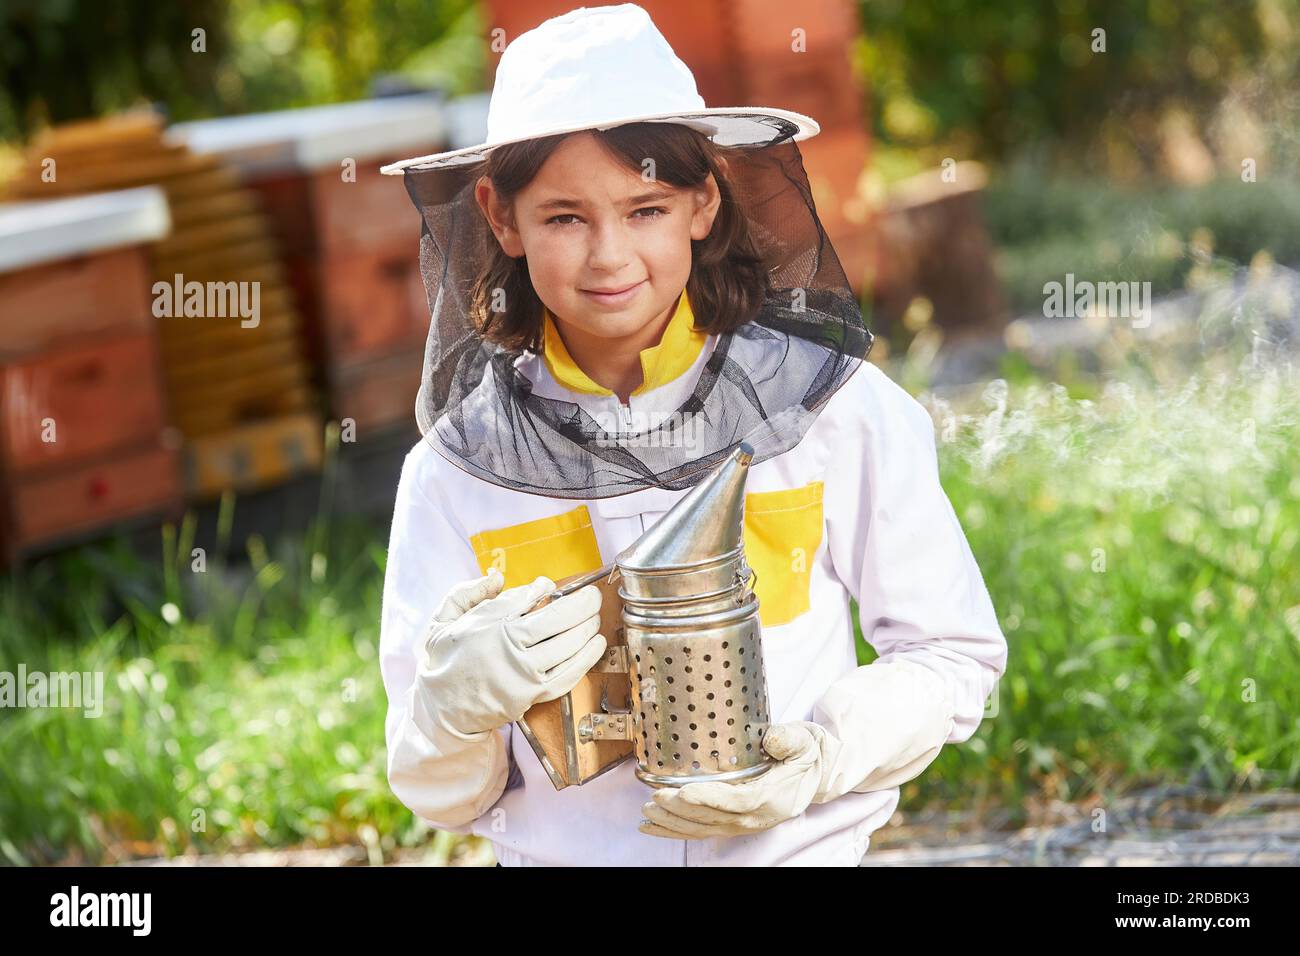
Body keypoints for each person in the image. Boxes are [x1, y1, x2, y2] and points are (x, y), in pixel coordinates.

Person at [377, 3, 1007, 866]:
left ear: (702, 202)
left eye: (645, 209)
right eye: (564, 216)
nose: (609, 256)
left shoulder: (836, 410)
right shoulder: (453, 475)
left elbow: (951, 653)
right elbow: (442, 792)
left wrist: (828, 754)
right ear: (500, 216)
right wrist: (449, 710)